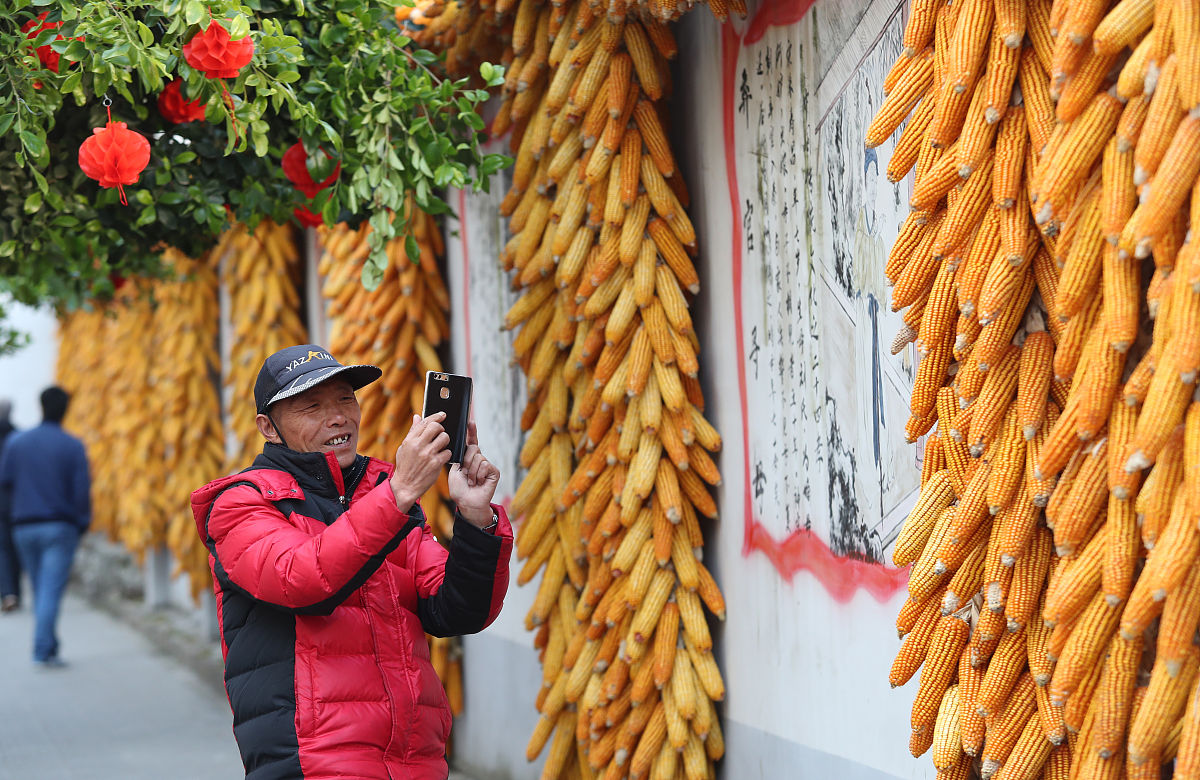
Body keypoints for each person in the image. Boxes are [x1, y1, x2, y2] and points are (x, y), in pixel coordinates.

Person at [191, 345, 512, 780]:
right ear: (268, 427)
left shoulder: (381, 490)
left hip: (417, 758)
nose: (338, 416)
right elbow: (302, 579)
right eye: (312, 406)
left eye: (345, 398)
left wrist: (476, 519)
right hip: (316, 760)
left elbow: (456, 610)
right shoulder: (241, 503)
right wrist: (398, 493)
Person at [0, 387, 91, 666]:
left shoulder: (17, 443)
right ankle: (42, 650)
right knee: (49, 589)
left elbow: (5, 479)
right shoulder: (72, 445)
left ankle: (49, 646)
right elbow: (81, 492)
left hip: (23, 527)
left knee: (41, 588)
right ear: (66, 409)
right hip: (58, 527)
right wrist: (82, 524)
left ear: (40, 406)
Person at [0, 398, 21, 612]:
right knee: (14, 548)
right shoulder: (19, 438)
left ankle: (8, 594)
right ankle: (16, 593)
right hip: (16, 502)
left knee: (2, 549)